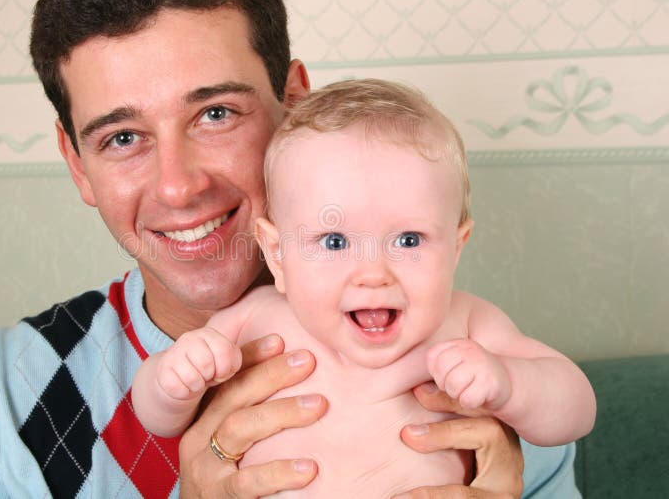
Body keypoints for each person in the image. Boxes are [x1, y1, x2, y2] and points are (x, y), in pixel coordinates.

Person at [0, 0, 582, 497]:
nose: (178, 185)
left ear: (295, 103)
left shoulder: (476, 375)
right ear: (77, 164)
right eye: (123, 136)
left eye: (217, 114)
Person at [132, 79, 596, 496]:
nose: (373, 274)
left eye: (408, 239)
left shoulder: (466, 324)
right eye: (334, 241)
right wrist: (174, 380)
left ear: (456, 247)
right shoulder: (255, 319)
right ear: (278, 253)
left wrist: (510, 385)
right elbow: (157, 416)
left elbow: (576, 410)